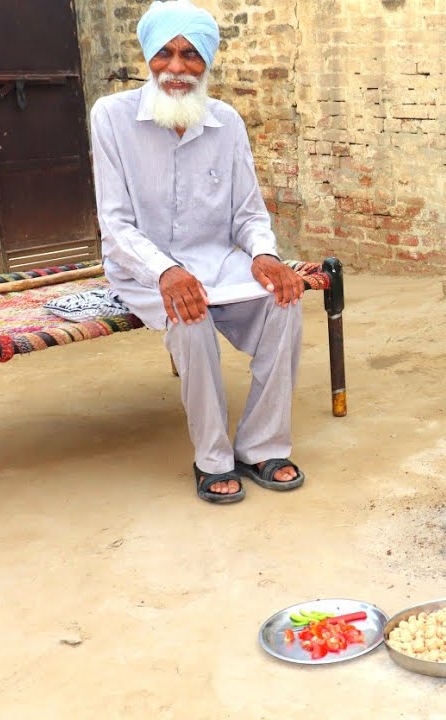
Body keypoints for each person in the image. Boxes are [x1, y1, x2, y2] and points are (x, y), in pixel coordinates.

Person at [89, 0, 306, 504]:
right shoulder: (112, 117)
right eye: (164, 54)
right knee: (190, 316)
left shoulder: (226, 122)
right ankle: (212, 458)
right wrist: (166, 272)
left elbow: (248, 214)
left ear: (207, 62)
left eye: (191, 56)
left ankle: (261, 445)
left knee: (284, 301)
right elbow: (116, 224)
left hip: (216, 259)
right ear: (148, 56)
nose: (177, 68)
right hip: (144, 267)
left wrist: (264, 254)